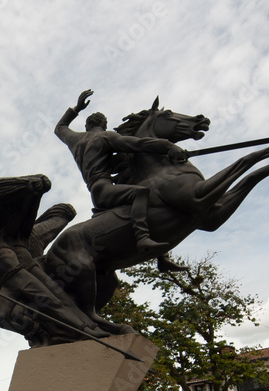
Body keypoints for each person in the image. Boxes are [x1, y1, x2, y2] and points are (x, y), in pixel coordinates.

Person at [55, 89, 189, 271]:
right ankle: (142, 239)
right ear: (103, 124)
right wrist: (167, 145)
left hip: (96, 191)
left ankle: (162, 257)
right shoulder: (105, 136)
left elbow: (59, 128)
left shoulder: (75, 140)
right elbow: (137, 144)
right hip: (104, 187)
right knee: (141, 192)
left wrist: (76, 108)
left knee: (139, 208)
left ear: (87, 125)